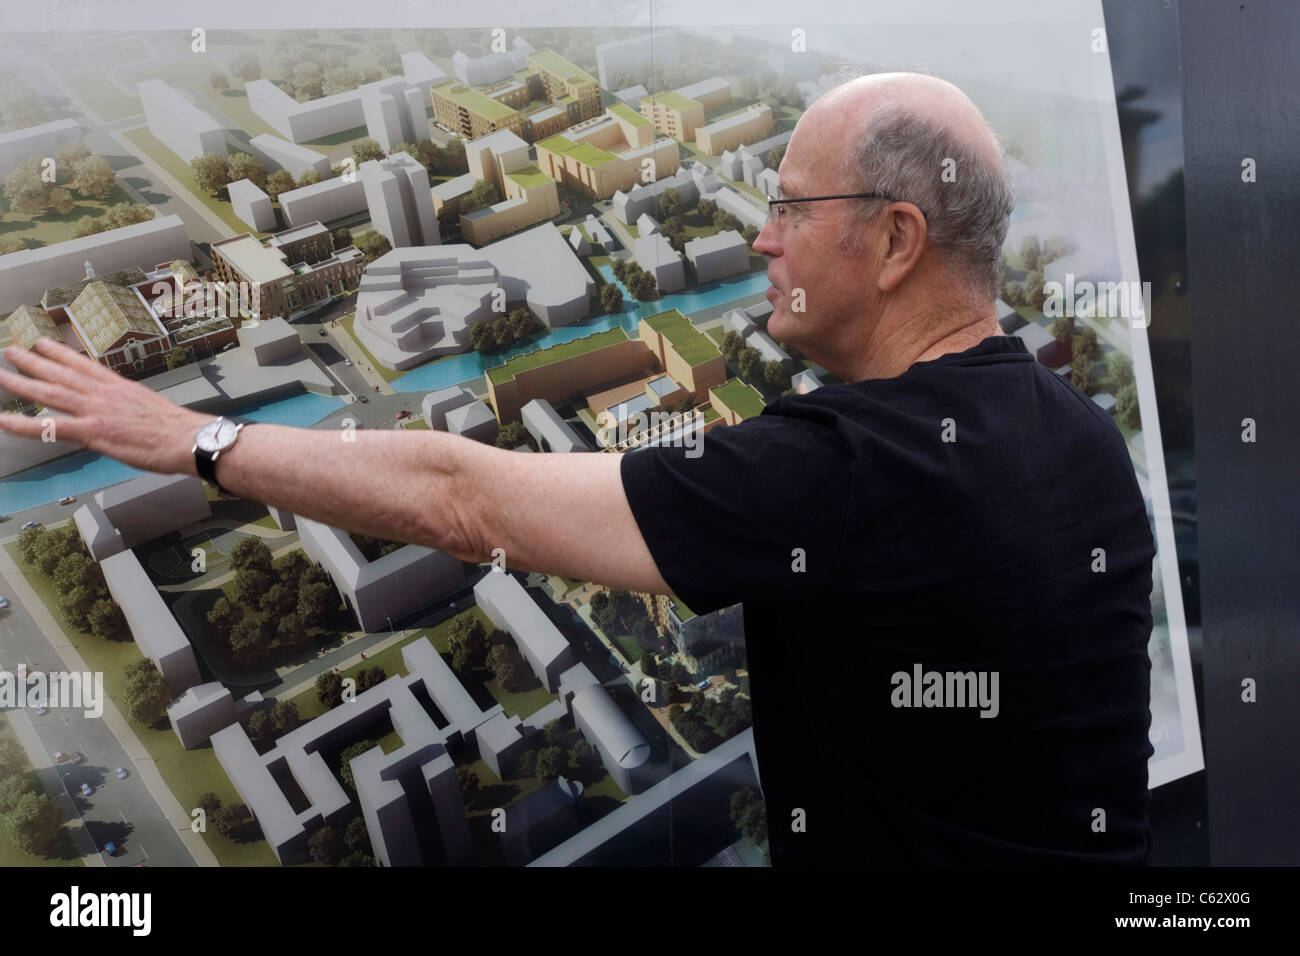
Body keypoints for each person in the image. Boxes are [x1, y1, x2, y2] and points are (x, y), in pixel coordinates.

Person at [0, 72, 1155, 866]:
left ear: (897, 239)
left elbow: (463, 498)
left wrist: (197, 440)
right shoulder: (1083, 439)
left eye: (790, 208)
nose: (762, 237)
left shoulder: (849, 474)